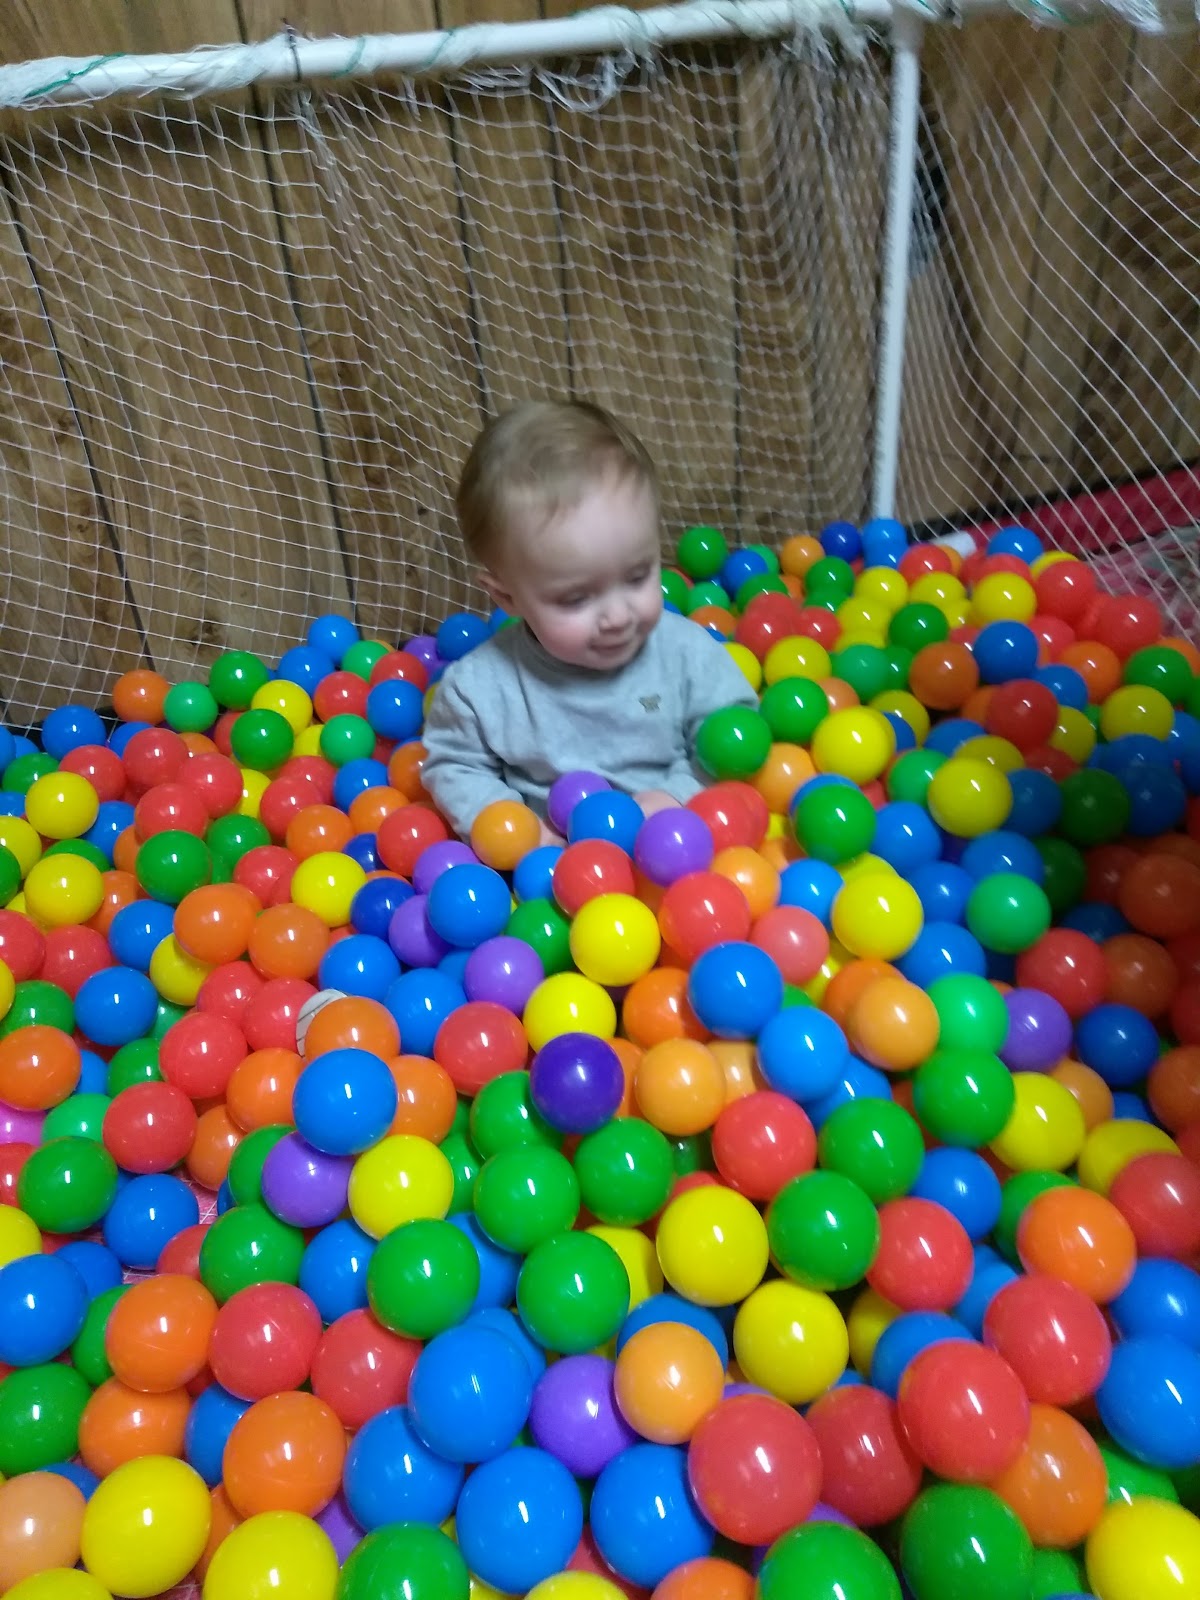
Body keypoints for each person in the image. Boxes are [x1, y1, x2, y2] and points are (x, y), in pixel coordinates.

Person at [421, 398, 758, 841]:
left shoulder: (686, 654)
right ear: (508, 597)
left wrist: (679, 796)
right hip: (549, 878)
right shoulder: (480, 690)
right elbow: (453, 765)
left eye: (638, 575)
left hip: (681, 852)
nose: (618, 616)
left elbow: (733, 739)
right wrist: (516, 829)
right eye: (576, 598)